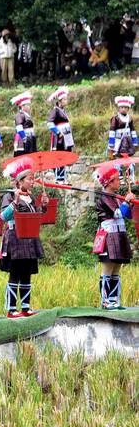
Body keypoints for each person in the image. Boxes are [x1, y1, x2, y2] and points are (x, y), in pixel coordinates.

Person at [0, 157, 45, 318]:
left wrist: (43, 205)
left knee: (26, 272)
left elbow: (38, 217)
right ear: (19, 182)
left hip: (29, 238)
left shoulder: (31, 198)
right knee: (15, 272)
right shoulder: (9, 197)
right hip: (15, 238)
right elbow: (4, 216)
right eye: (30, 179)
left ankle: (25, 307)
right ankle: (11, 309)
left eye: (33, 179)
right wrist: (16, 201)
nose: (32, 182)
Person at [94, 160, 134, 310]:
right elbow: (117, 213)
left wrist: (130, 204)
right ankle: (105, 302)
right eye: (117, 179)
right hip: (109, 237)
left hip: (120, 236)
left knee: (116, 269)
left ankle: (114, 300)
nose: (120, 181)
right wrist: (125, 203)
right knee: (107, 270)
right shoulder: (104, 198)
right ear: (110, 182)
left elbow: (128, 215)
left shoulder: (117, 197)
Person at [47, 86, 74, 182]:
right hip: (60, 137)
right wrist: (58, 133)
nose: (66, 101)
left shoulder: (63, 111)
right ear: (60, 101)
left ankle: (63, 177)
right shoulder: (55, 111)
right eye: (65, 99)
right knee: (60, 156)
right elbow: (50, 123)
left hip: (66, 136)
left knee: (64, 155)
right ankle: (59, 177)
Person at [107, 96, 135, 176]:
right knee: (118, 160)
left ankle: (130, 177)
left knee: (129, 160)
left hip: (128, 142)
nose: (123, 109)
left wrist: (135, 141)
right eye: (122, 107)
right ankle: (119, 176)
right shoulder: (115, 118)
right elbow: (112, 131)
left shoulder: (130, 118)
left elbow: (132, 130)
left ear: (128, 109)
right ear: (119, 108)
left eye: (125, 107)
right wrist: (111, 143)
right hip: (118, 142)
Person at [11, 92, 37, 157]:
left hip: (30, 139)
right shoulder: (19, 115)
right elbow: (19, 129)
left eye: (29, 105)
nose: (29, 106)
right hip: (23, 140)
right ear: (22, 106)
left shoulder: (27, 115)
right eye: (27, 105)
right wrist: (25, 138)